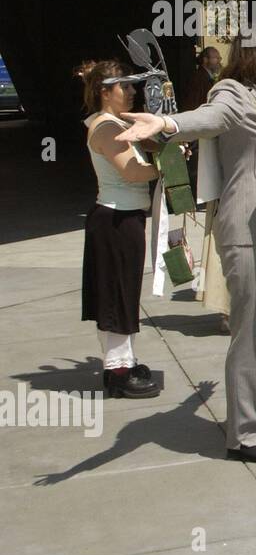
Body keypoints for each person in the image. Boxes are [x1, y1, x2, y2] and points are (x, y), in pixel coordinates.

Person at [115, 21, 256, 463]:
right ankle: (243, 436)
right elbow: (207, 119)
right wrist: (165, 122)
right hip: (248, 229)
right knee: (250, 330)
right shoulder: (234, 93)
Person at [78, 60, 162, 398]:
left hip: (124, 218)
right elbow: (132, 171)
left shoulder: (115, 121)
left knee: (123, 292)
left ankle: (123, 360)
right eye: (124, 87)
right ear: (104, 92)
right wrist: (166, 165)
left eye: (131, 85)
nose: (131, 92)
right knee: (115, 294)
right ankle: (117, 371)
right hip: (114, 219)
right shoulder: (106, 127)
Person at [181, 46, 222, 112]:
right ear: (205, 59)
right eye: (216, 58)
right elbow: (192, 105)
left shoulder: (205, 77)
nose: (219, 61)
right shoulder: (198, 78)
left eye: (219, 58)